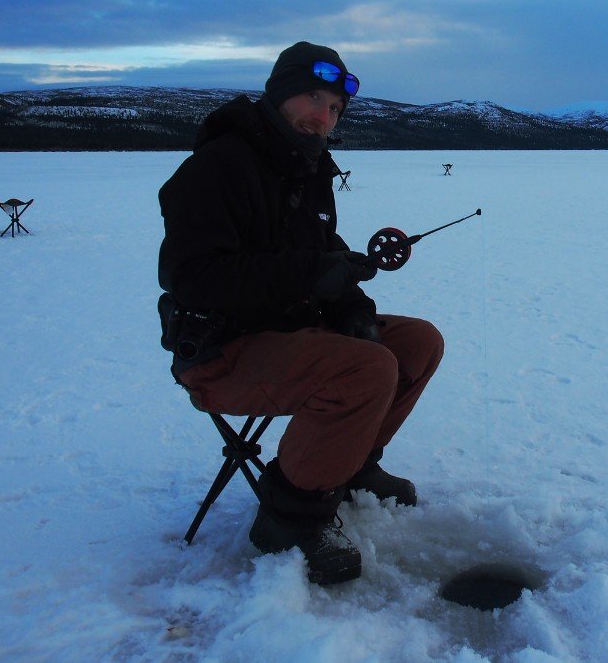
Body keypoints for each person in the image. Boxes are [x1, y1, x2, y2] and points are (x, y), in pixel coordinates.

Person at [157, 41, 444, 585]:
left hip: (288, 332)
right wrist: (309, 275)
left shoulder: (303, 170)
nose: (324, 116)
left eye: (335, 108)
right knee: (367, 369)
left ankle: (351, 463)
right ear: (280, 95)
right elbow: (192, 278)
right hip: (221, 351)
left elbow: (322, 254)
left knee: (416, 342)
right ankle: (288, 517)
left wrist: (353, 307)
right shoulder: (216, 168)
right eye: (314, 98)